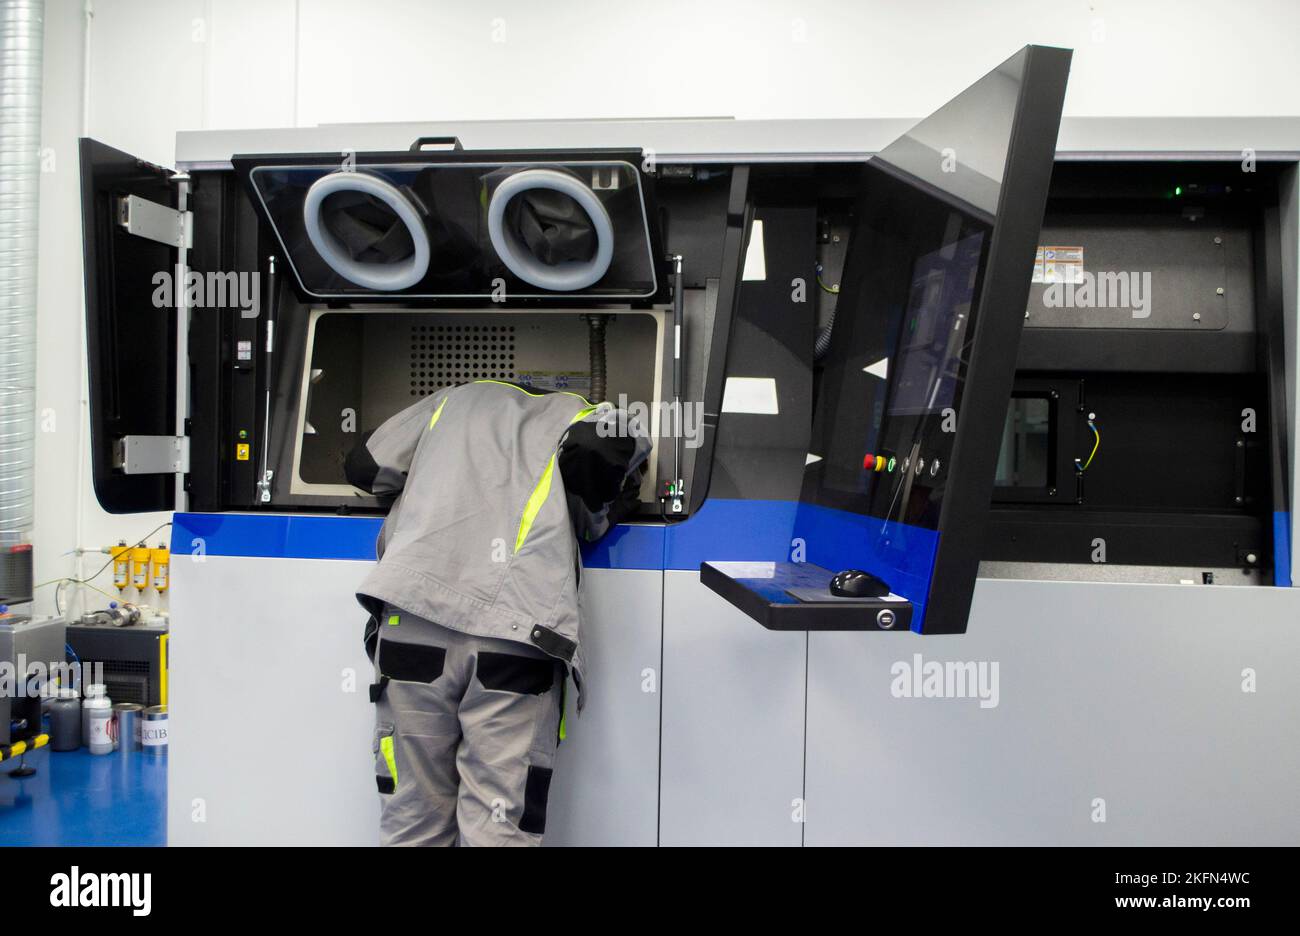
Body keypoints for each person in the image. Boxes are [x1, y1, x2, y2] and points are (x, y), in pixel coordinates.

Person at [345, 378, 649, 846]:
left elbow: (366, 466)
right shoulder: (590, 413)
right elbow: (598, 457)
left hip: (412, 625)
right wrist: (599, 511)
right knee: (499, 829)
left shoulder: (453, 398)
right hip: (515, 638)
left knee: (411, 824)